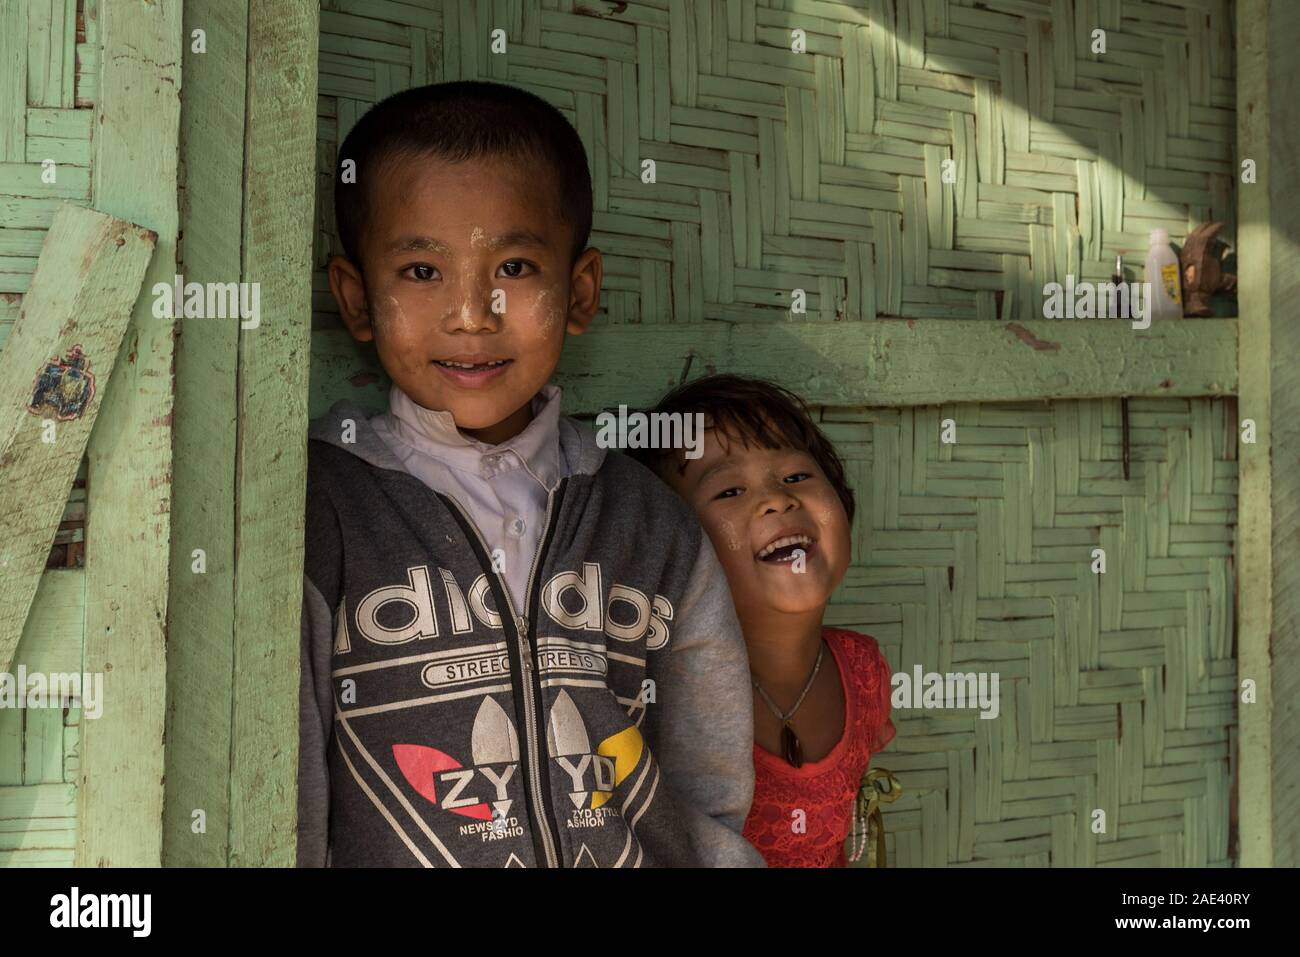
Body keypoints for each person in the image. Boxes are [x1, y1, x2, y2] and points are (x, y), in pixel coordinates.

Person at [297, 81, 764, 868]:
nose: (472, 313)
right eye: (420, 271)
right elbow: (288, 783)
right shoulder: (322, 510)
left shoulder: (649, 526)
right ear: (356, 299)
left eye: (512, 264)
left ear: (578, 291)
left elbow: (709, 781)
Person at [633, 375, 896, 867]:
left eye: (796, 476)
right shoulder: (657, 695)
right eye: (729, 490)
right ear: (671, 546)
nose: (777, 499)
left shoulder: (863, 672)